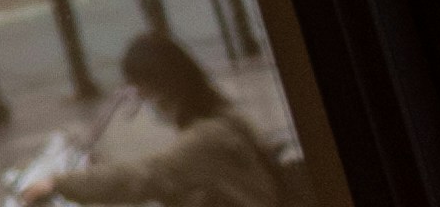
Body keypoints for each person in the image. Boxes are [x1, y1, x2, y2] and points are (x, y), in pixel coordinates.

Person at [23, 37, 281, 207]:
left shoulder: (206, 138)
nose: (142, 102)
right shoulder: (223, 119)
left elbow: (147, 176)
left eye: (143, 92)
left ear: (165, 87)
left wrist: (60, 183)